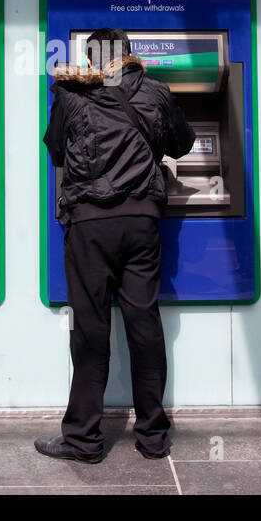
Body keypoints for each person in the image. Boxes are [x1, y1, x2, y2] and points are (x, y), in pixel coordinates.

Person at [38, 27, 195, 463]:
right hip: (142, 220)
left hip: (90, 224)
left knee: (90, 329)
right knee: (144, 324)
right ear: (128, 55)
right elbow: (183, 145)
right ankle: (153, 437)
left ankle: (84, 440)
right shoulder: (156, 92)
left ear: (90, 60)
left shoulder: (70, 95)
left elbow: (54, 151)